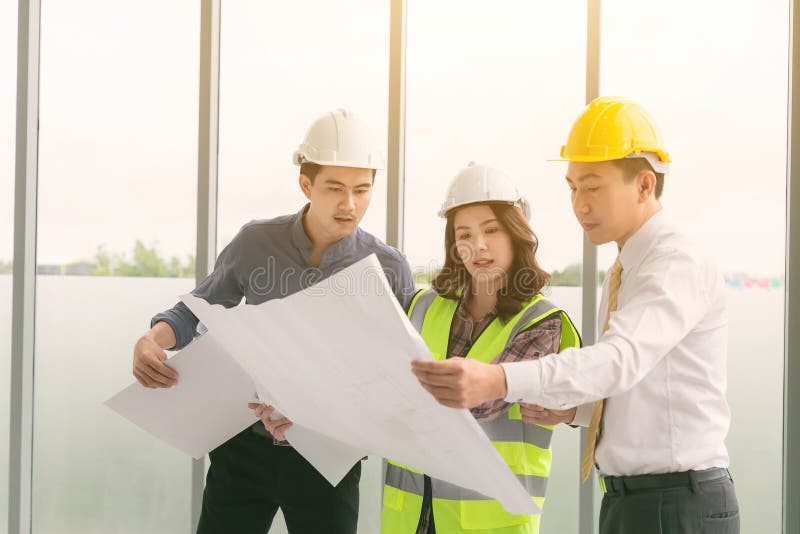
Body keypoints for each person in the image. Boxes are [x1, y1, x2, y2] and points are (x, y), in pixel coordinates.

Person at [410, 97, 740, 534]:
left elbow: (620, 360)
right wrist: (573, 414)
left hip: (676, 503)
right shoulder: (625, 269)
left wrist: (497, 379)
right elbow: (638, 392)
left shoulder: (676, 262)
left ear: (644, 185)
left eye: (593, 186)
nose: (579, 204)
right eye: (572, 187)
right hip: (635, 500)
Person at [132, 108, 415, 534]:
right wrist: (154, 338)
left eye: (362, 189)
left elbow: (403, 370)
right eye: (335, 188)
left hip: (328, 458)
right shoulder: (255, 243)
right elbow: (197, 307)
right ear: (306, 184)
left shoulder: (388, 269)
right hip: (243, 450)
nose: (349, 204)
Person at [381, 163, 581, 534]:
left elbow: (480, 404)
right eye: (465, 235)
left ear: (516, 233)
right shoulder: (423, 307)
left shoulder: (540, 322)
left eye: (491, 230)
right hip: (410, 518)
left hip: (492, 523)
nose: (478, 246)